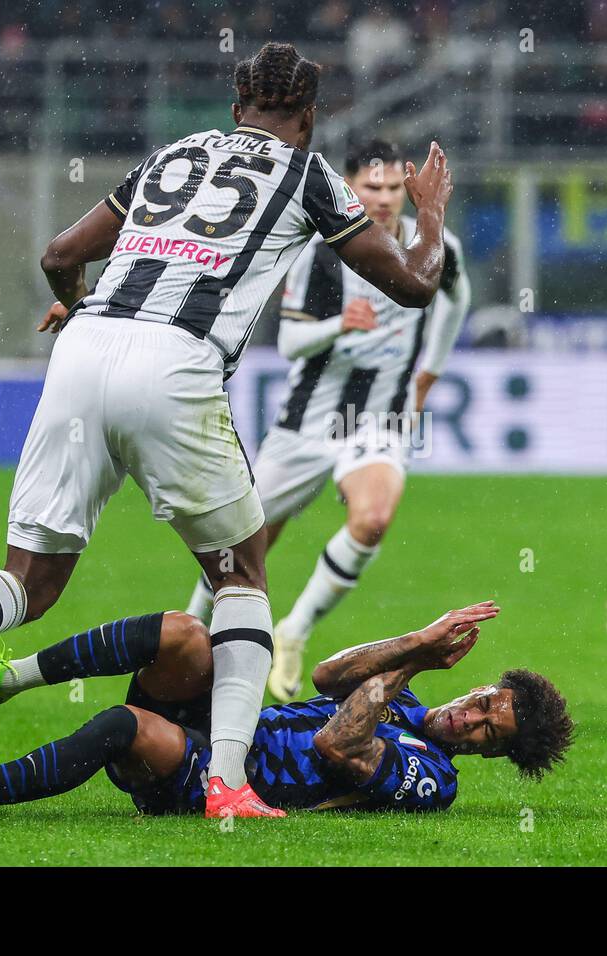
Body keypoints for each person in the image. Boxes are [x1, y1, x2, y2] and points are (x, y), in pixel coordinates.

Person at [0, 42, 454, 821]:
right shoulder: (308, 174)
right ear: (306, 119)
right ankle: (227, 784)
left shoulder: (174, 155)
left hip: (84, 348)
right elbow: (415, 283)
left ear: (236, 109)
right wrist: (429, 210)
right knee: (241, 577)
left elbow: (59, 253)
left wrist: (77, 298)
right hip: (176, 362)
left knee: (29, 581)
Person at [185, 138, 471, 702]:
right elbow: (290, 341)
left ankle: (295, 628)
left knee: (373, 519)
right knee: (239, 545)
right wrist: (340, 325)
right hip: (305, 424)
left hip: (376, 421)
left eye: (394, 187)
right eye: (372, 187)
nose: (385, 198)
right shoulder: (320, 251)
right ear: (351, 186)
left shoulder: (435, 244)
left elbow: (457, 296)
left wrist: (429, 372)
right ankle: (191, 639)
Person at [0, 601, 573, 818]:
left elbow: (337, 747)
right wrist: (413, 643)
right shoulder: (410, 698)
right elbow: (329, 674)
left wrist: (411, 660)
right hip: (225, 728)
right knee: (184, 635)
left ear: (489, 754)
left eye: (488, 731)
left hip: (218, 779)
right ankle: (9, 676)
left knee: (121, 729)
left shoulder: (434, 780)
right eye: (484, 702)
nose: (471, 718)